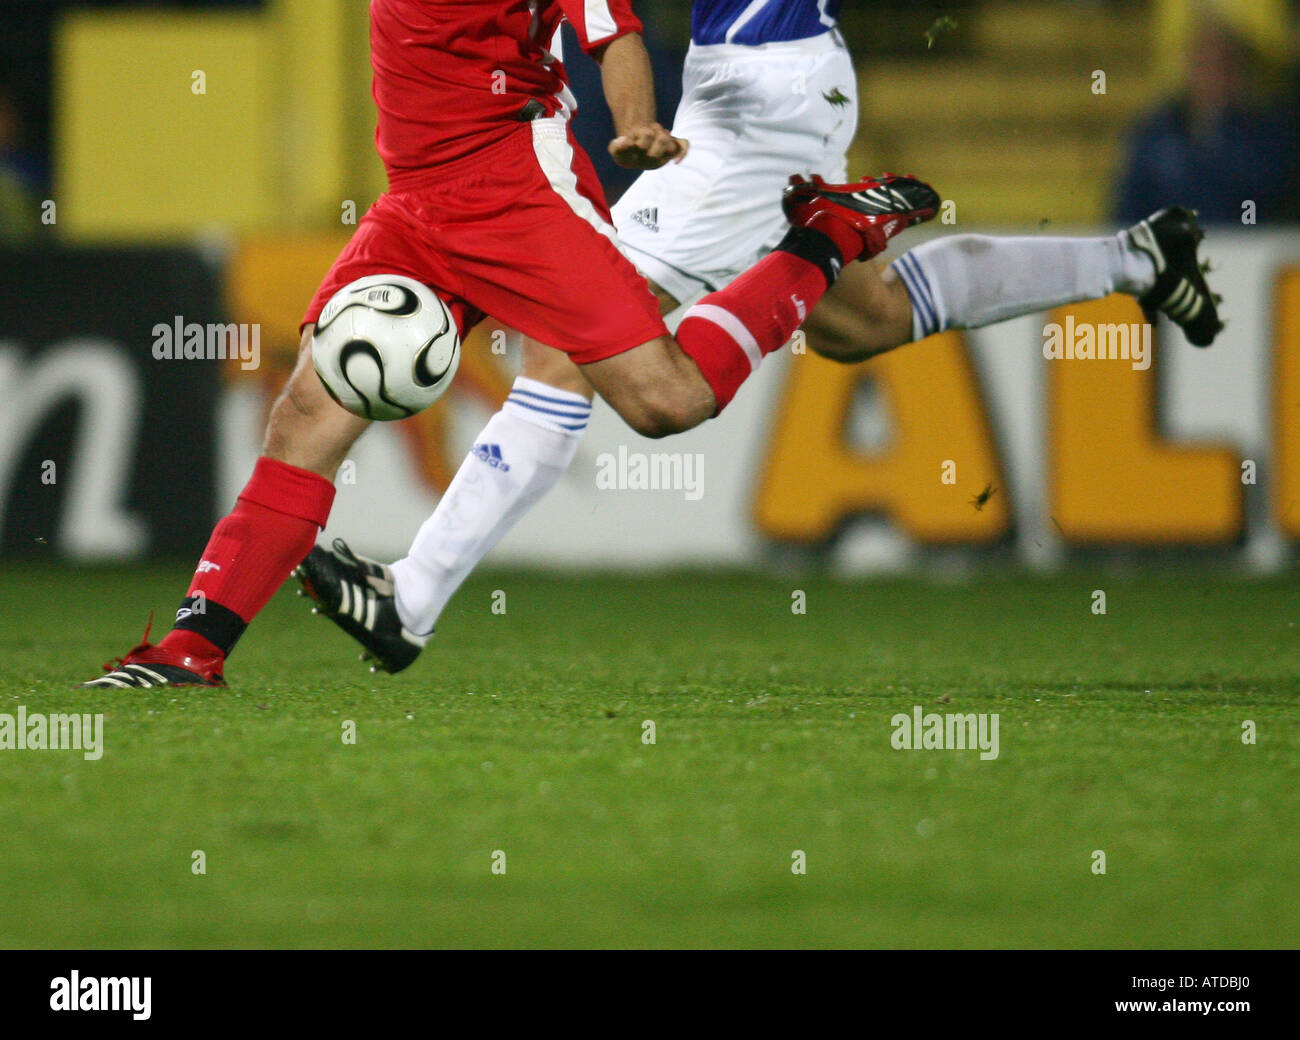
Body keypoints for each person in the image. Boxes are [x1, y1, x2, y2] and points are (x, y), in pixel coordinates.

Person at [292, 0, 1225, 676]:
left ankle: (413, 595)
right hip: (761, 82)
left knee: (570, 351)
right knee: (869, 319)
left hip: (759, 93)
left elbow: (609, 21)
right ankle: (1140, 256)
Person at [82, 0, 947, 688]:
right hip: (414, 202)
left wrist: (638, 124)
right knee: (306, 410)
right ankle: (191, 651)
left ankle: (826, 236)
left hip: (516, 190)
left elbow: (614, 32)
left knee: (666, 401)